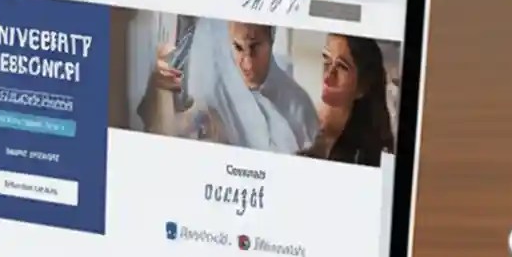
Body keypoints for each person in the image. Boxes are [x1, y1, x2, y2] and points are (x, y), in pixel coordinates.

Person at [137, 19, 319, 153]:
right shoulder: (204, 52)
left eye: (256, 47)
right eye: (238, 49)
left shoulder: (298, 107)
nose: (247, 64)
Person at [302, 34, 396, 166]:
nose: (328, 76)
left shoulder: (367, 154)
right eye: (327, 61)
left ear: (362, 87)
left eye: (342, 67)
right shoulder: (299, 120)